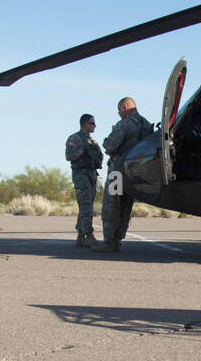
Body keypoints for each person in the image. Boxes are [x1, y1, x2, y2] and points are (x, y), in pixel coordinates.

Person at [96, 97, 152, 252]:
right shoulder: (146, 125)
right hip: (134, 174)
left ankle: (109, 241)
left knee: (111, 205)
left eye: (119, 110)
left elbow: (111, 145)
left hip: (118, 172)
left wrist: (106, 142)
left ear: (123, 107)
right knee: (126, 205)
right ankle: (118, 239)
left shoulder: (125, 124)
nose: (119, 114)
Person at [65, 113, 103, 247]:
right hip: (81, 174)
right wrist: (83, 149)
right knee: (86, 205)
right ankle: (88, 235)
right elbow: (69, 156)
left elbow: (99, 156)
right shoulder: (75, 138)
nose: (94, 126)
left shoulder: (92, 141)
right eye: (92, 123)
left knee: (86, 206)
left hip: (92, 174)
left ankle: (81, 236)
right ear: (84, 124)